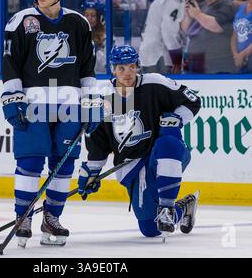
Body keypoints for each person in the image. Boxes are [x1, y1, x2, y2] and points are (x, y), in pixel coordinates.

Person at [0, 0, 102, 247]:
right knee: (30, 161)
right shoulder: (20, 22)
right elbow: (10, 65)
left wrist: (91, 102)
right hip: (33, 103)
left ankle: (52, 218)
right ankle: (24, 217)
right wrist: (12, 99)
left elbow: (87, 68)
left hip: (69, 104)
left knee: (64, 164)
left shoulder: (79, 23)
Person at [77, 45, 201, 239]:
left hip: (161, 155)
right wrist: (92, 170)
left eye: (132, 67)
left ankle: (167, 207)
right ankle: (183, 208)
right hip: (130, 167)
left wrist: (177, 119)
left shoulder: (155, 84)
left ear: (138, 67)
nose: (128, 73)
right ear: (113, 69)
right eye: (121, 68)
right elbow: (98, 140)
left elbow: (192, 100)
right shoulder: (103, 96)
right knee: (150, 229)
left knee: (169, 137)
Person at [181, 0, 238, 74]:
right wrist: (188, 14)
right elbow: (187, 30)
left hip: (217, 66)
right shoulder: (202, 6)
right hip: (196, 64)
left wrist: (197, 15)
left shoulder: (228, 5)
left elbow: (217, 26)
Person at [139, 0, 185, 74]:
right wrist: (176, 57)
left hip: (149, 54)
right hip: (160, 56)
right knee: (162, 85)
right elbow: (168, 31)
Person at [81, 0, 107, 74]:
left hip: (101, 78)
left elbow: (107, 63)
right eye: (86, 15)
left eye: (93, 15)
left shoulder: (106, 37)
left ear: (100, 18)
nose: (89, 18)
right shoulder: (78, 34)